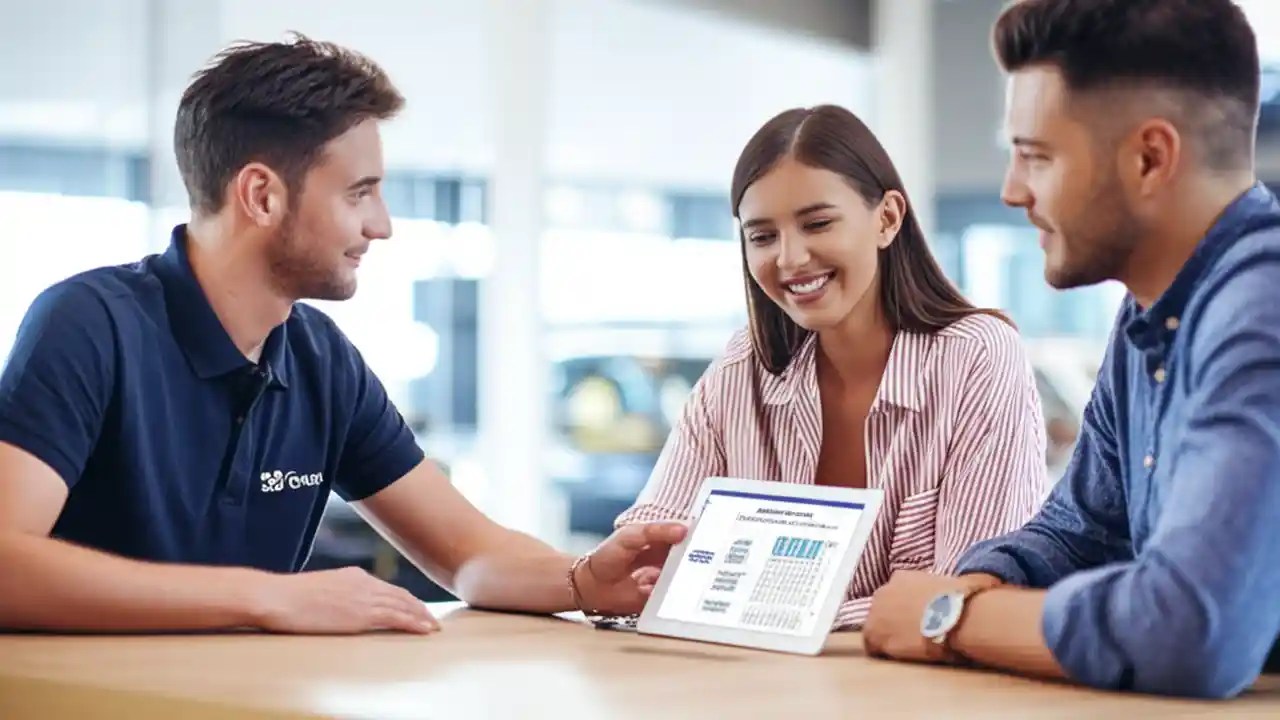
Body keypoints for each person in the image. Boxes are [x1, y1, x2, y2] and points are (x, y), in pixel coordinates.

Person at [0, 34, 685, 634]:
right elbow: (5, 564)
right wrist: (270, 598)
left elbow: (469, 553)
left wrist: (582, 579)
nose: (381, 224)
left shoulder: (319, 356)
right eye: (359, 192)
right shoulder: (88, 323)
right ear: (262, 195)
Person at [862, 0, 1280, 700]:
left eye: (1036, 156)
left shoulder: (1260, 310)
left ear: (1150, 158)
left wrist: (951, 617)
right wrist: (985, 580)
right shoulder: (1151, 313)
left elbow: (1188, 633)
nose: (1011, 190)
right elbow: (1083, 530)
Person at [613, 104, 1050, 629]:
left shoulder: (977, 357)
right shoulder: (740, 370)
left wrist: (761, 613)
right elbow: (649, 556)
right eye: (762, 236)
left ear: (887, 219)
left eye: (817, 223)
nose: (790, 258)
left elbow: (963, 596)